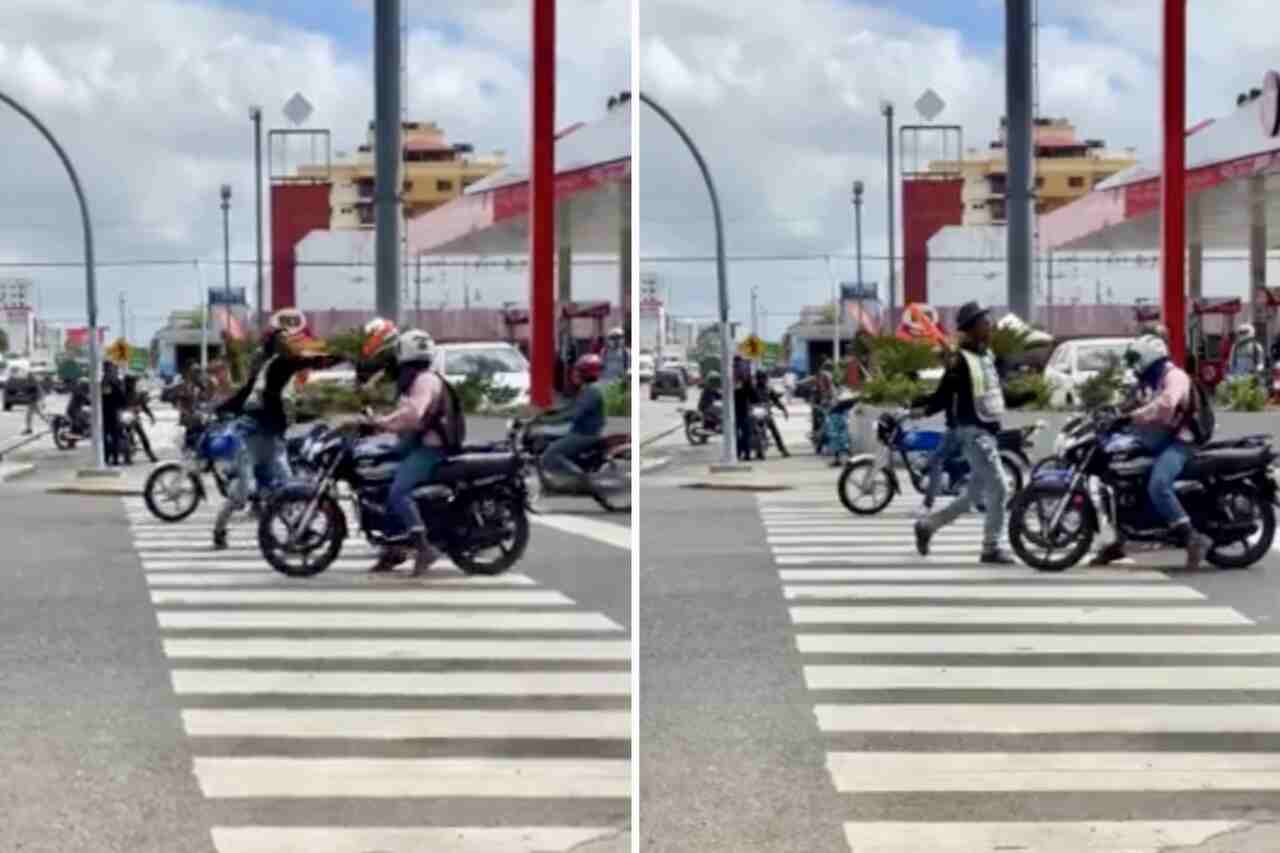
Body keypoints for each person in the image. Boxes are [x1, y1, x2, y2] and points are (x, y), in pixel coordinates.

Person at [911, 301, 1033, 564]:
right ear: (971, 329)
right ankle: (991, 547)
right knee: (1000, 488)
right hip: (974, 433)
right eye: (983, 322)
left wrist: (1028, 396)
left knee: (973, 496)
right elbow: (944, 395)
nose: (989, 325)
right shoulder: (960, 361)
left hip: (987, 431)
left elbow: (999, 395)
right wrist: (922, 409)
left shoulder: (987, 358)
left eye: (988, 321)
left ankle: (927, 526)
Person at [211, 309, 343, 549]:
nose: (288, 344)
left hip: (273, 442)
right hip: (249, 441)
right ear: (275, 346)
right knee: (243, 492)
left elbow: (310, 361)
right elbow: (243, 394)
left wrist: (335, 356)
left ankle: (298, 532)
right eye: (283, 341)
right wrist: (222, 408)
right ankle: (219, 529)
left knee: (287, 490)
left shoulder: (276, 366)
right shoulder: (274, 366)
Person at [1090, 334, 1212, 569]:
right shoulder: (1150, 380)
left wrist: (1130, 417)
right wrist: (1111, 412)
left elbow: (1165, 406)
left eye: (1137, 359)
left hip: (1180, 442)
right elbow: (1133, 402)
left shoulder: (1174, 377)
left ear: (1149, 356)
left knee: (1158, 484)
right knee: (1123, 478)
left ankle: (1192, 537)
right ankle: (1123, 539)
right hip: (1159, 439)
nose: (1134, 365)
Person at [365, 328, 450, 576]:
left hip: (430, 449)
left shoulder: (424, 380)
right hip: (416, 444)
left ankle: (424, 548)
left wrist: (381, 422)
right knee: (383, 478)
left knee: (399, 493)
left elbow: (413, 415)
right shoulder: (418, 378)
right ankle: (394, 548)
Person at [541, 353, 607, 482]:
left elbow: (574, 414)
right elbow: (571, 407)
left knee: (550, 455)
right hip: (581, 431)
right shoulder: (589, 389)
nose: (575, 374)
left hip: (584, 434)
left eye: (579, 371)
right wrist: (549, 413)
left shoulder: (591, 391)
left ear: (586, 373)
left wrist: (548, 421)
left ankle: (582, 480)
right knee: (546, 438)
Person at [754, 371, 790, 457]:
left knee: (775, 431)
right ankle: (755, 449)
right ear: (757, 379)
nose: (763, 380)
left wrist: (784, 410)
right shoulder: (753, 389)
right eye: (761, 378)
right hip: (755, 413)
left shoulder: (768, 389)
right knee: (752, 431)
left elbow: (776, 400)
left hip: (766, 413)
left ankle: (783, 450)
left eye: (764, 378)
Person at [124, 374, 159, 463]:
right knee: (127, 437)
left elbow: (144, 406)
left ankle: (150, 454)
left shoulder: (137, 394)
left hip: (134, 418)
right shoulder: (121, 393)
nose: (132, 385)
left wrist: (151, 416)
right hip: (124, 419)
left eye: (133, 383)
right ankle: (127, 456)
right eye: (130, 382)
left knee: (143, 436)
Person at [101, 362, 130, 466]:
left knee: (115, 436)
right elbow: (109, 397)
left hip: (113, 412)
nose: (114, 372)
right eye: (112, 370)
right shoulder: (107, 382)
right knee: (111, 437)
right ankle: (110, 458)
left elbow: (121, 396)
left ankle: (113, 458)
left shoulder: (113, 381)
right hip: (109, 413)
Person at [732, 360, 759, 461]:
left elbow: (753, 396)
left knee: (742, 433)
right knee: (742, 433)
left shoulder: (743, 381)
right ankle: (742, 453)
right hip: (738, 411)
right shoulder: (740, 380)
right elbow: (753, 396)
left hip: (739, 411)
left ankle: (742, 453)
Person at [20, 370, 48, 435]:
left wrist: (43, 402)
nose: (28, 377)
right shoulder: (29, 383)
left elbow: (41, 392)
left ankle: (29, 429)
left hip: (34, 401)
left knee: (33, 415)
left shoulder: (34, 384)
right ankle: (29, 429)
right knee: (37, 415)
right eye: (28, 376)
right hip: (32, 402)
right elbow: (27, 392)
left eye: (29, 376)